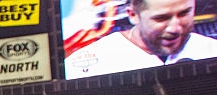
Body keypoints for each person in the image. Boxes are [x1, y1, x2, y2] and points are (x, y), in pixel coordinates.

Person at [65, 0, 217, 78]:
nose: (175, 28)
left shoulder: (211, 49)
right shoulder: (84, 64)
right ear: (133, 15)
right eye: (161, 18)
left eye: (184, 14)